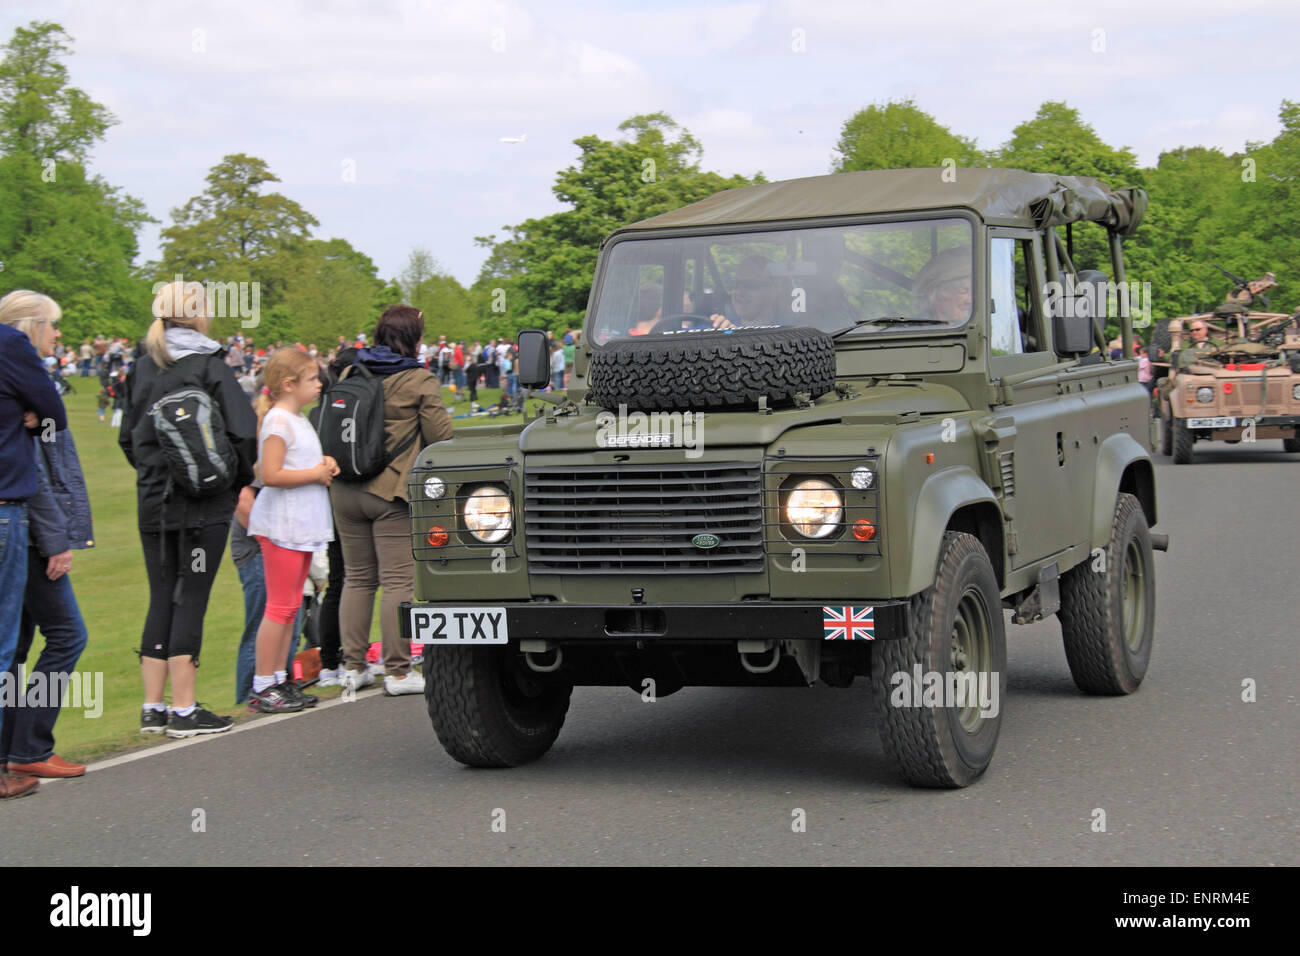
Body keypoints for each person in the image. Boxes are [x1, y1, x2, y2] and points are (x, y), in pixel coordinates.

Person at [119, 281, 257, 738]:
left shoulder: (142, 367)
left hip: (152, 503)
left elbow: (128, 438)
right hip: (202, 503)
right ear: (198, 315)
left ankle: (153, 706)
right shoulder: (209, 366)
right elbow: (243, 433)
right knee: (191, 597)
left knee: (161, 595)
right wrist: (234, 483)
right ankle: (184, 708)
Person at [331, 305, 451, 696]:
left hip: (345, 488)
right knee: (398, 580)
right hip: (391, 491)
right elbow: (440, 438)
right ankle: (397, 671)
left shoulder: (351, 370)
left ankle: (352, 667)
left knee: (358, 578)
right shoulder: (418, 378)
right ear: (413, 337)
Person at [0, 292, 93, 781]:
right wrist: (57, 540)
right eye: (52, 327)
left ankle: (19, 747)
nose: (57, 335)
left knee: (17, 644)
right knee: (66, 635)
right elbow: (37, 477)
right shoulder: (20, 380)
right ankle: (28, 745)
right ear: (30, 327)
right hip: (30, 533)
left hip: (28, 528)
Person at [246, 348, 337, 712]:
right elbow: (269, 474)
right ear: (288, 385)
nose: (319, 384)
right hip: (282, 524)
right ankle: (263, 682)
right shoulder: (278, 422)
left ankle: (280, 680)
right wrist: (315, 473)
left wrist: (323, 464)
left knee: (291, 609)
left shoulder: (298, 419)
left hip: (299, 525)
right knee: (280, 607)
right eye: (313, 379)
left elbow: (298, 462)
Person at [709, 256, 784, 329]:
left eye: (750, 284)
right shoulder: (715, 329)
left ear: (774, 291)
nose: (739, 292)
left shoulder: (790, 331)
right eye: (735, 284)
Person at [914, 246, 973, 323]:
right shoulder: (916, 330)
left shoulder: (968, 325)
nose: (970, 300)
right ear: (935, 294)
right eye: (963, 291)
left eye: (973, 292)